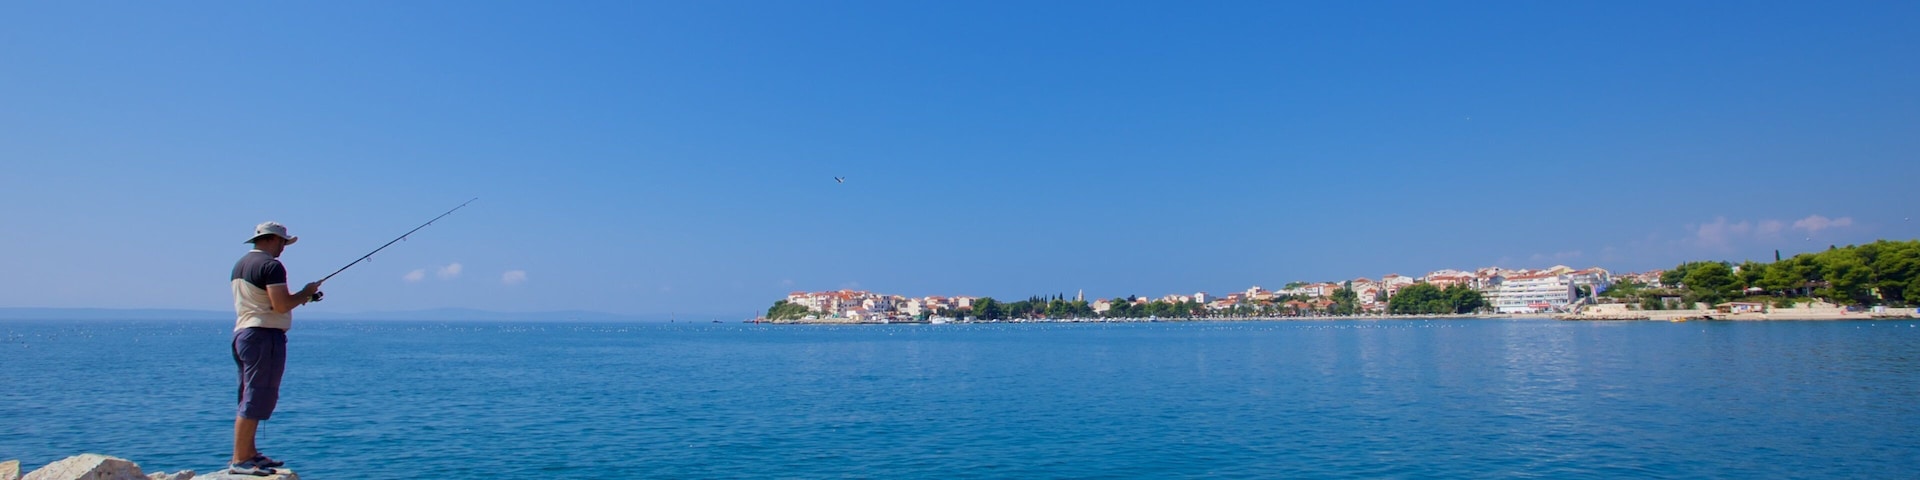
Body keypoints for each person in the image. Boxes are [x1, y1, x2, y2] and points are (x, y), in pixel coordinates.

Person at [228, 221, 322, 476]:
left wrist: (304, 297)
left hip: (244, 334)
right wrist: (306, 291)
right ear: (272, 240)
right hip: (263, 336)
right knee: (257, 396)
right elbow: (281, 305)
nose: (283, 248)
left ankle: (249, 453)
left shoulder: (241, 265)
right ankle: (239, 460)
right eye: (283, 242)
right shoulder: (271, 266)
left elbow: (265, 302)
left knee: (249, 395)